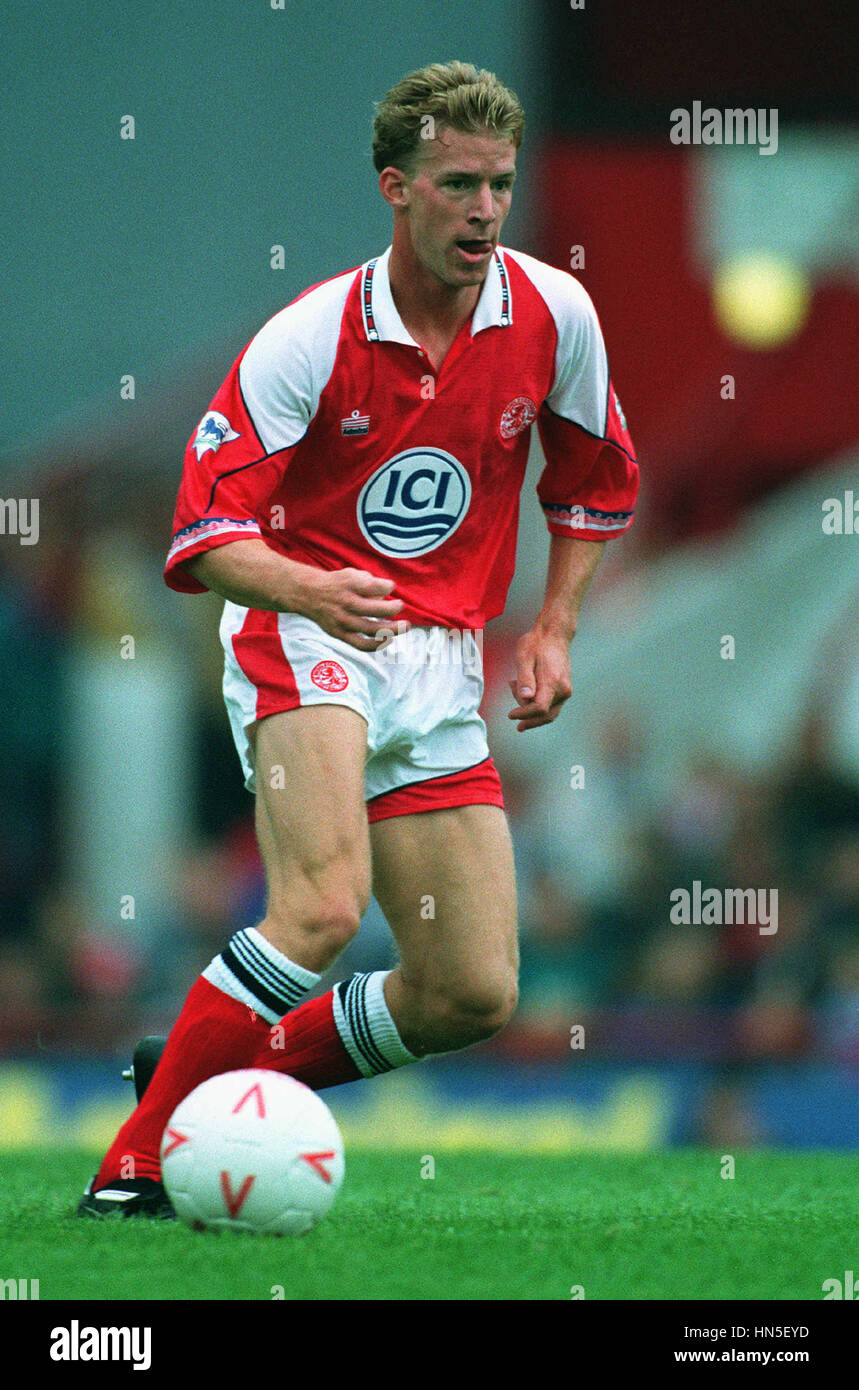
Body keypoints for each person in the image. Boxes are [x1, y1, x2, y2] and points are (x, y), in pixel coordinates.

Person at [78, 59, 638, 1217]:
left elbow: (593, 479)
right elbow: (200, 534)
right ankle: (133, 1165)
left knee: (470, 992)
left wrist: (554, 626)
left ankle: (203, 1079)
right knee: (325, 907)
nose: (486, 209)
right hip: (303, 629)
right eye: (458, 185)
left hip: (440, 663)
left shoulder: (552, 314)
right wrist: (309, 587)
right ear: (397, 188)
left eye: (500, 184)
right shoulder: (308, 337)